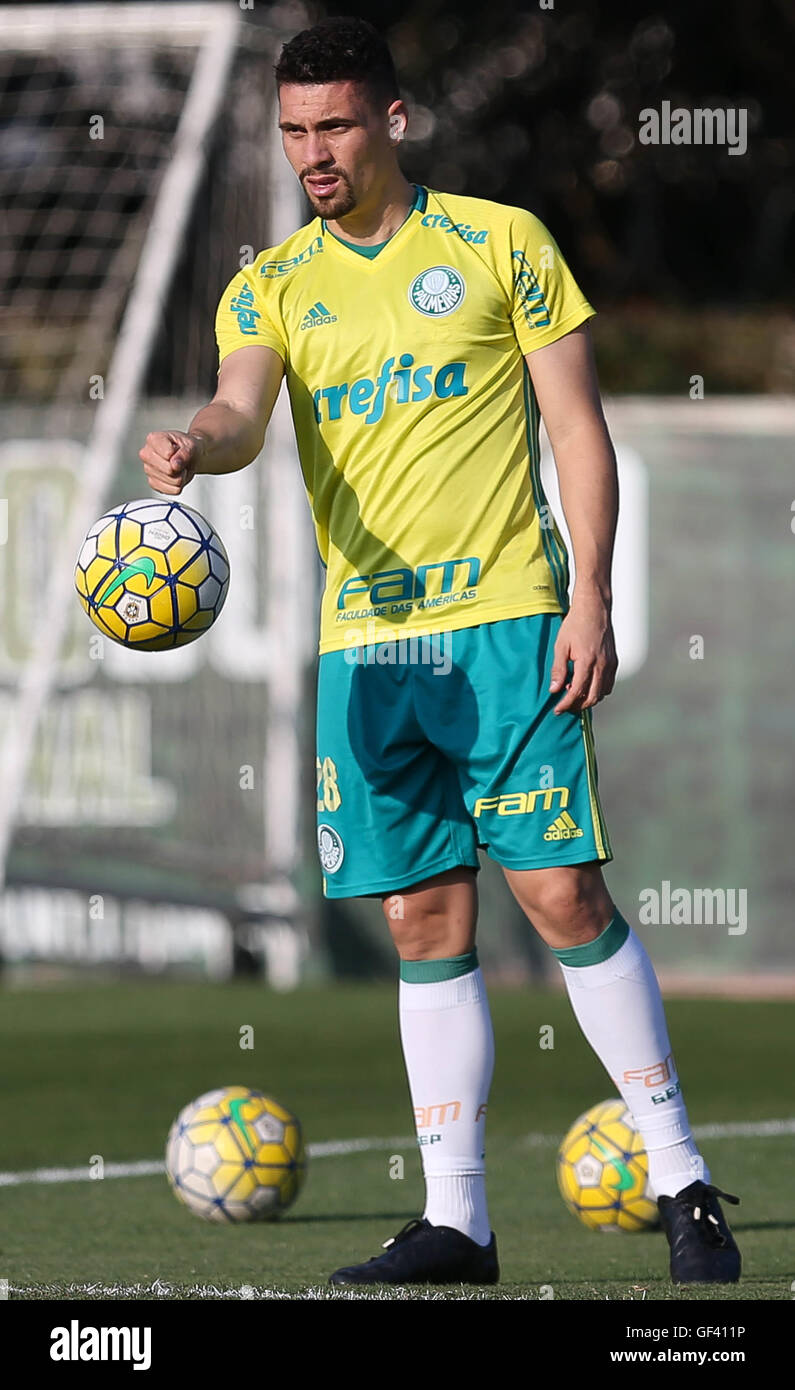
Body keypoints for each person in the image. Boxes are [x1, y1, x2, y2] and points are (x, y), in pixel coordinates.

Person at [139, 16, 740, 1288]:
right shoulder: (273, 284)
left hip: (511, 625)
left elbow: (578, 430)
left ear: (394, 121)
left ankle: (686, 1182)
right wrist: (197, 438)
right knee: (422, 919)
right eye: (295, 130)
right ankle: (459, 1222)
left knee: (562, 898)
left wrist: (590, 599)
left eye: (337, 125)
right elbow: (243, 405)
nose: (314, 151)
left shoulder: (499, 242)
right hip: (367, 650)